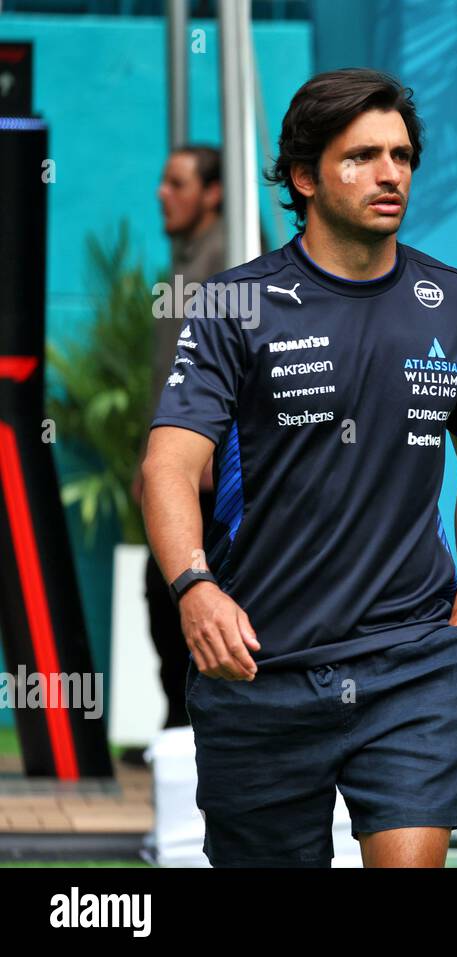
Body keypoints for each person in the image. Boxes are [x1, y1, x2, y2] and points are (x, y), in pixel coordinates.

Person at [140, 68, 457, 867]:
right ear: (306, 176)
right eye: (363, 157)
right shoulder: (231, 305)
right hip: (260, 669)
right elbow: (167, 467)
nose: (390, 174)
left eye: (403, 156)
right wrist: (194, 586)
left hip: (414, 663)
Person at [127, 145, 225, 753]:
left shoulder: (232, 261)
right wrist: (154, 458)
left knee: (194, 584)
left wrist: (213, 450)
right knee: (164, 587)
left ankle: (195, 729)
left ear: (213, 194)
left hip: (215, 475)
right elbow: (170, 375)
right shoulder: (183, 267)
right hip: (181, 468)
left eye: (178, 182)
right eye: (164, 181)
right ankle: (179, 725)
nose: (163, 193)